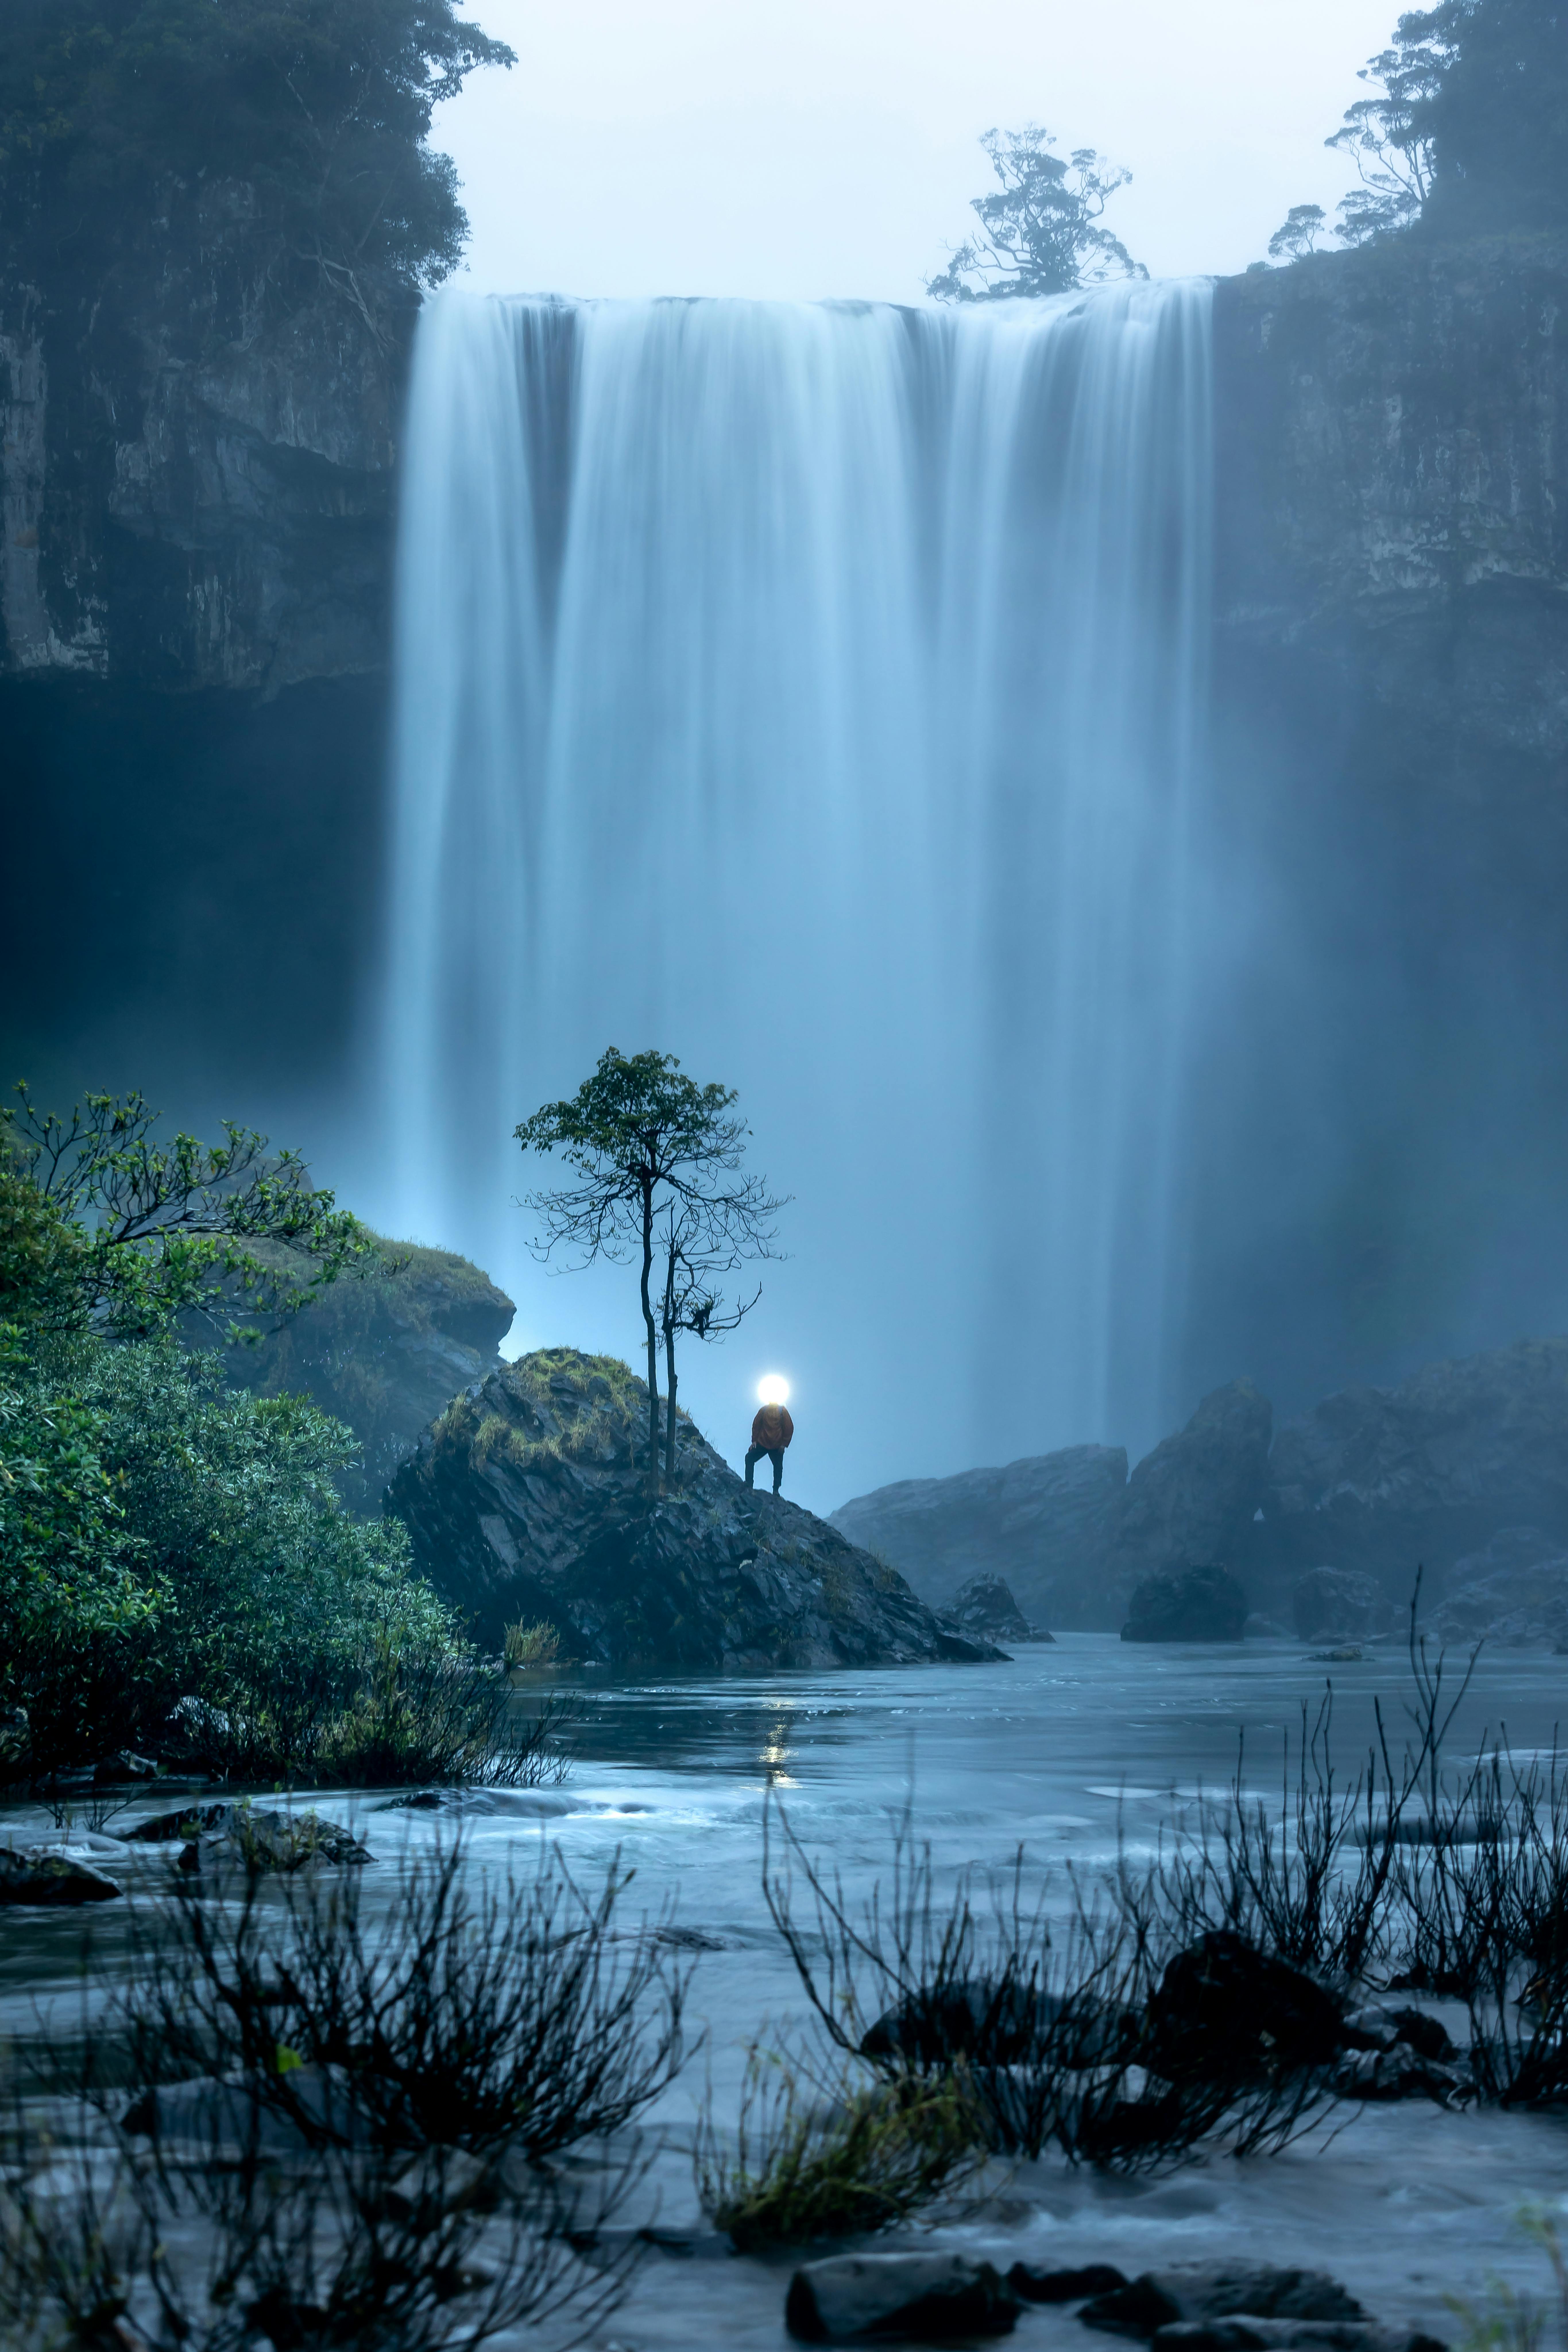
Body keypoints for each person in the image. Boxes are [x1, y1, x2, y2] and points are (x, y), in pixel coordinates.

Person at [745, 1396, 794, 1494]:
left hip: (777, 1445)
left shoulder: (783, 1412)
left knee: (778, 1467)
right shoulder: (764, 1411)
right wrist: (755, 1441)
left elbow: (789, 1428)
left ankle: (776, 1490)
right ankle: (749, 1484)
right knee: (749, 1458)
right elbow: (756, 1425)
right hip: (763, 1442)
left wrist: (784, 1444)